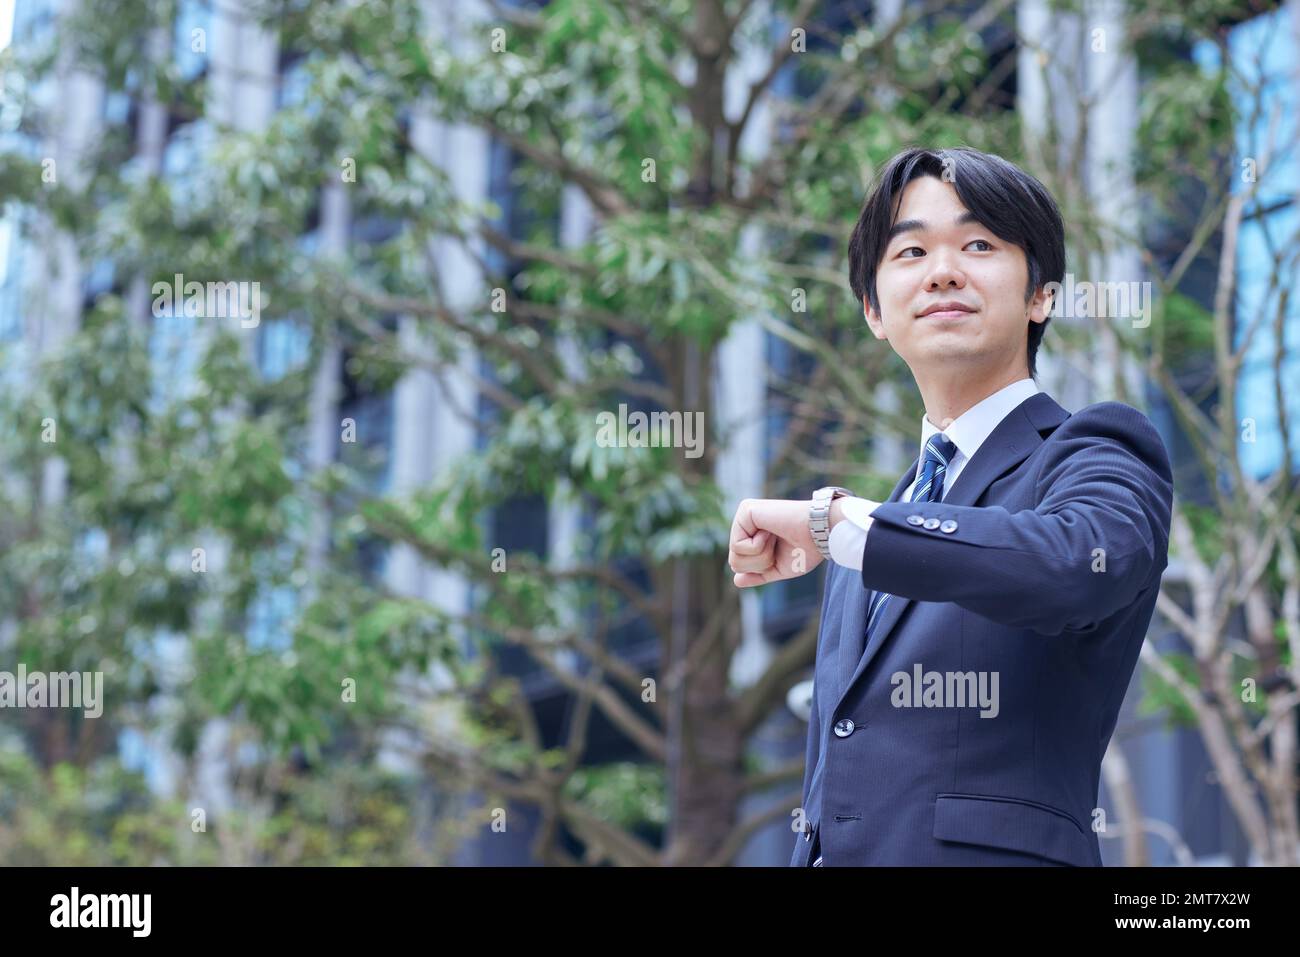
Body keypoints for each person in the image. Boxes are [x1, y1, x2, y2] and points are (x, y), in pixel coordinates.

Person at [727, 146, 1173, 866]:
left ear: (1041, 294)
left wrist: (845, 527)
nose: (942, 270)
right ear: (874, 310)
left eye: (979, 244)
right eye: (910, 251)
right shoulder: (878, 524)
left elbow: (1072, 562)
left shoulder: (1096, 447)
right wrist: (855, 530)